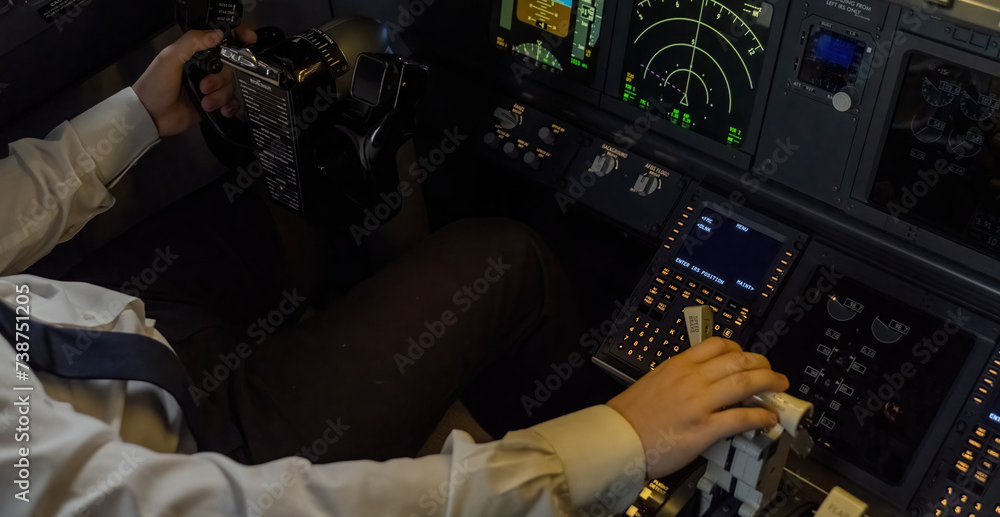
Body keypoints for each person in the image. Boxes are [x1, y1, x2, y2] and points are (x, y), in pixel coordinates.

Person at [0, 28, 789, 516]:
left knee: (271, 210)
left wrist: (138, 113)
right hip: (200, 458)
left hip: (91, 334)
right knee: (506, 258)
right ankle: (551, 424)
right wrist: (619, 440)